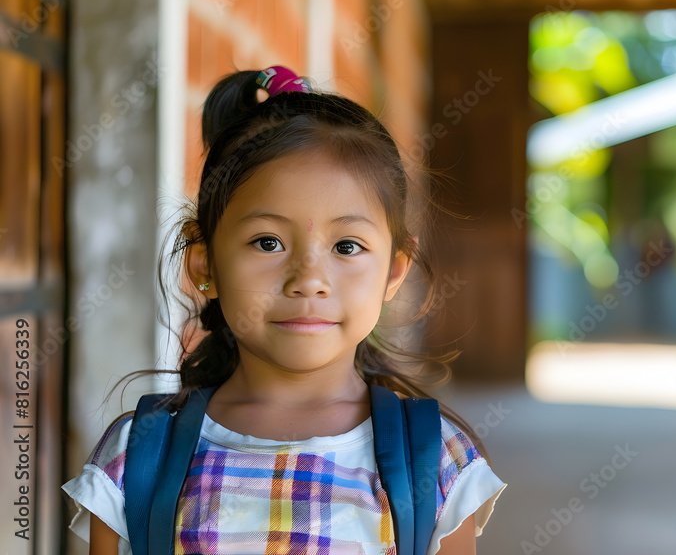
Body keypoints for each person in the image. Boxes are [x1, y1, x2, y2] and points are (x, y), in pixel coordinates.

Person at [61, 65, 507, 555]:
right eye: (267, 242)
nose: (309, 280)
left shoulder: (435, 462)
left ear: (393, 273)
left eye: (347, 246)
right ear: (204, 262)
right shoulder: (139, 457)